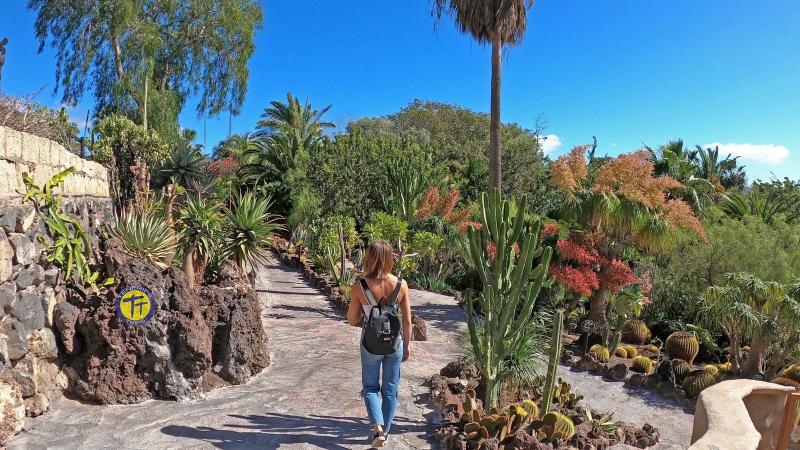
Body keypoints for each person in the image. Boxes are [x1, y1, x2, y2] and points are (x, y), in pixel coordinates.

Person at [347, 240, 412, 448]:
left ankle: (378, 429)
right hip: (395, 344)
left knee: (370, 388)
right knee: (390, 390)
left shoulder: (360, 286)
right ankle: (385, 431)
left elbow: (352, 320)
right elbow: (407, 321)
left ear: (369, 257)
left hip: (370, 344)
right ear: (390, 258)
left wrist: (367, 312)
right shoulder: (401, 284)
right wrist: (407, 345)